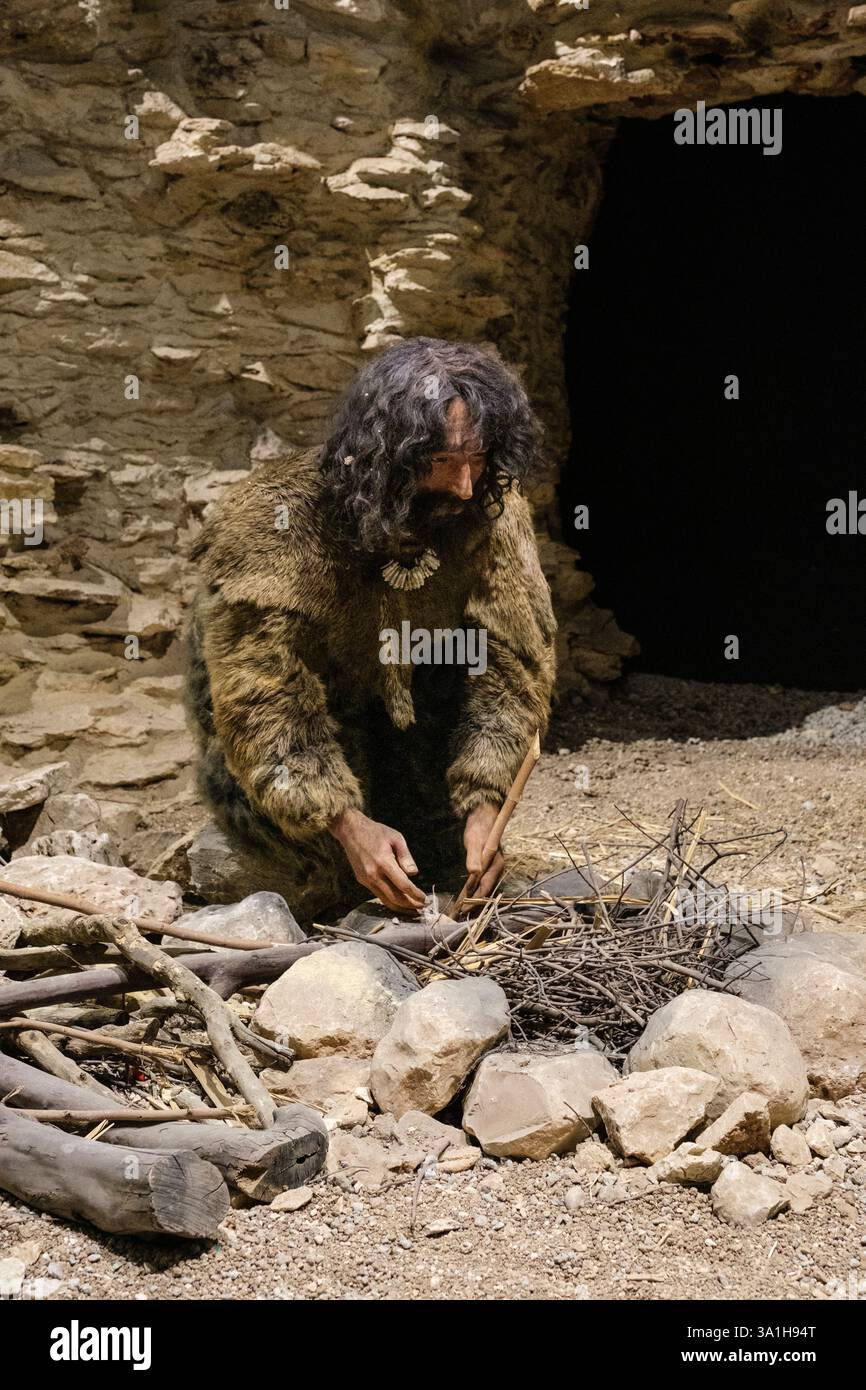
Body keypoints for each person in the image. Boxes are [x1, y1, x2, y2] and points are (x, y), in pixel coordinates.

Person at [185, 337, 556, 923]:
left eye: (479, 460)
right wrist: (342, 820)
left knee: (440, 863)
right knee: (320, 874)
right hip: (314, 716)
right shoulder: (274, 520)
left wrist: (486, 802)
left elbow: (512, 667)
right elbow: (263, 698)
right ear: (389, 454)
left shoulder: (491, 509)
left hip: (413, 712)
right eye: (441, 462)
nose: (464, 486)